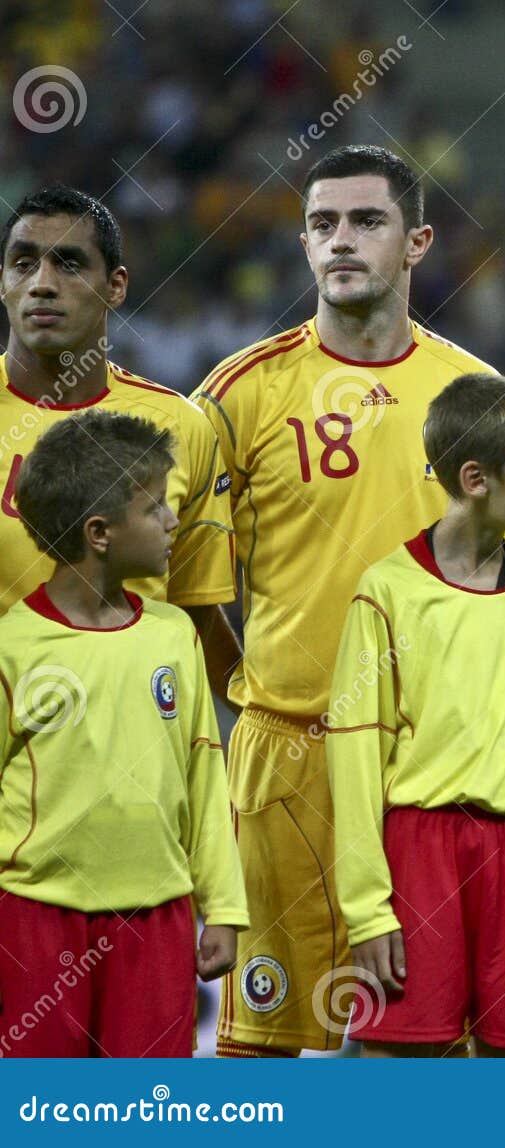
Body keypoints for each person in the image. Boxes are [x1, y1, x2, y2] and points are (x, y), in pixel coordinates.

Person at [195, 145, 505, 1057]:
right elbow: (187, 587)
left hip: (431, 774)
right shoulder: (238, 396)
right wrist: (257, 695)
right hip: (289, 758)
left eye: (367, 221)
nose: (342, 240)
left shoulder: (480, 402)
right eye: (323, 224)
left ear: (417, 242)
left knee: (418, 1044)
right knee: (260, 1047)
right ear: (303, 244)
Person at [326, 374, 505, 1057]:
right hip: (421, 853)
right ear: (476, 478)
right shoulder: (388, 591)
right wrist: (367, 910)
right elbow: (354, 759)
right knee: (403, 1058)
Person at [0, 410, 247, 1056]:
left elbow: (203, 775)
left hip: (158, 919)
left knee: (149, 1103)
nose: (173, 521)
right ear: (100, 533)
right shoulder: (12, 649)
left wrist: (223, 905)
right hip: (33, 919)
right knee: (41, 1103)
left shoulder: (174, 636)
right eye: (155, 506)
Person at [0, 187, 239, 700]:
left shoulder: (182, 427)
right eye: (23, 264)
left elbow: (196, 610)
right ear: (3, 281)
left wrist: (249, 719)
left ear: (115, 286)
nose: (42, 284)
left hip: (133, 732)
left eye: (69, 264)